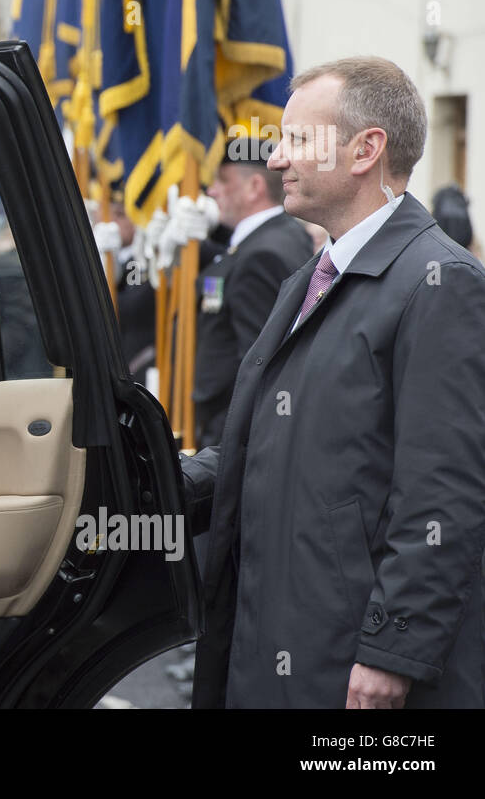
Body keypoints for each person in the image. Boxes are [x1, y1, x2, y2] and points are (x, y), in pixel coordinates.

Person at [180, 56, 485, 708]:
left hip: (347, 663)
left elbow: (444, 495)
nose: (277, 159)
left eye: (296, 139)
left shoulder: (440, 281)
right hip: (278, 637)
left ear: (365, 149)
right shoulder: (310, 277)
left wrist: (390, 651)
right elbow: (265, 440)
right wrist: (156, 479)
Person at [192, 137, 314, 448]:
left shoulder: (262, 255)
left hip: (228, 434)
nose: (212, 191)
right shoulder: (274, 238)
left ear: (254, 187)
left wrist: (227, 446)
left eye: (223, 180)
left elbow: (260, 365)